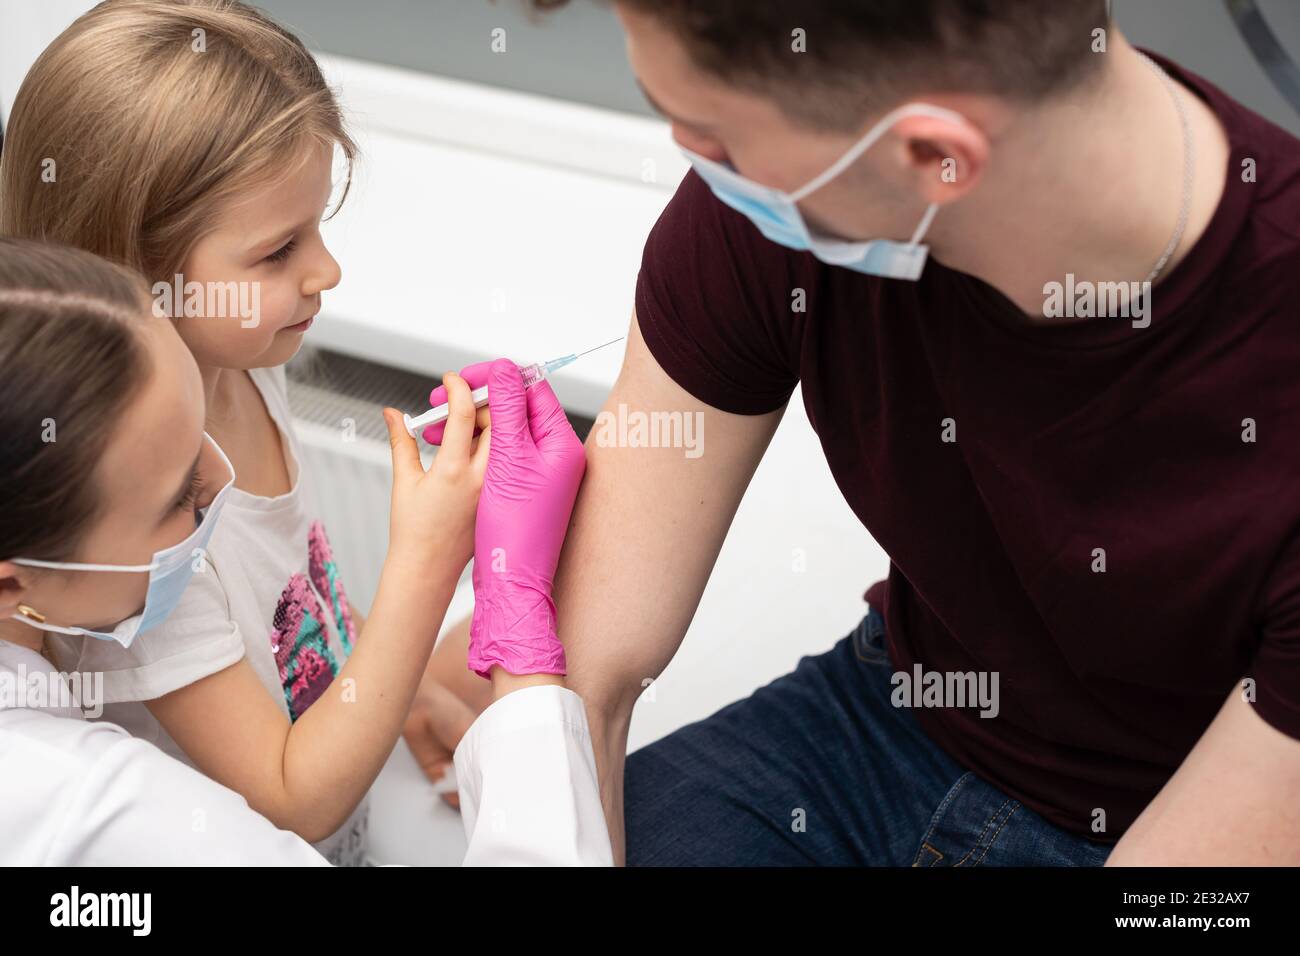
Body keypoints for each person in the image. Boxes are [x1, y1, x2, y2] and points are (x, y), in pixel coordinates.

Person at [498, 0, 1300, 865]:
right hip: (887, 718)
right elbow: (592, 675)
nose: (696, 160)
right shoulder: (775, 210)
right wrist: (513, 640)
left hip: (1183, 810)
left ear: (933, 157)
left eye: (707, 131)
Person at [0, 0, 474, 862]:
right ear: (134, 270)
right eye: (276, 251)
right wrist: (426, 563)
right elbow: (295, 802)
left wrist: (400, 693)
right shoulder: (145, 547)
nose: (326, 271)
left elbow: (300, 597)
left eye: (317, 227)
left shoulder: (248, 362)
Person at [0, 237, 610, 865]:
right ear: (9, 587)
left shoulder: (243, 377)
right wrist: (489, 596)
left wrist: (417, 691)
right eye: (182, 491)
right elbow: (295, 801)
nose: (223, 477)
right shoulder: (117, 812)